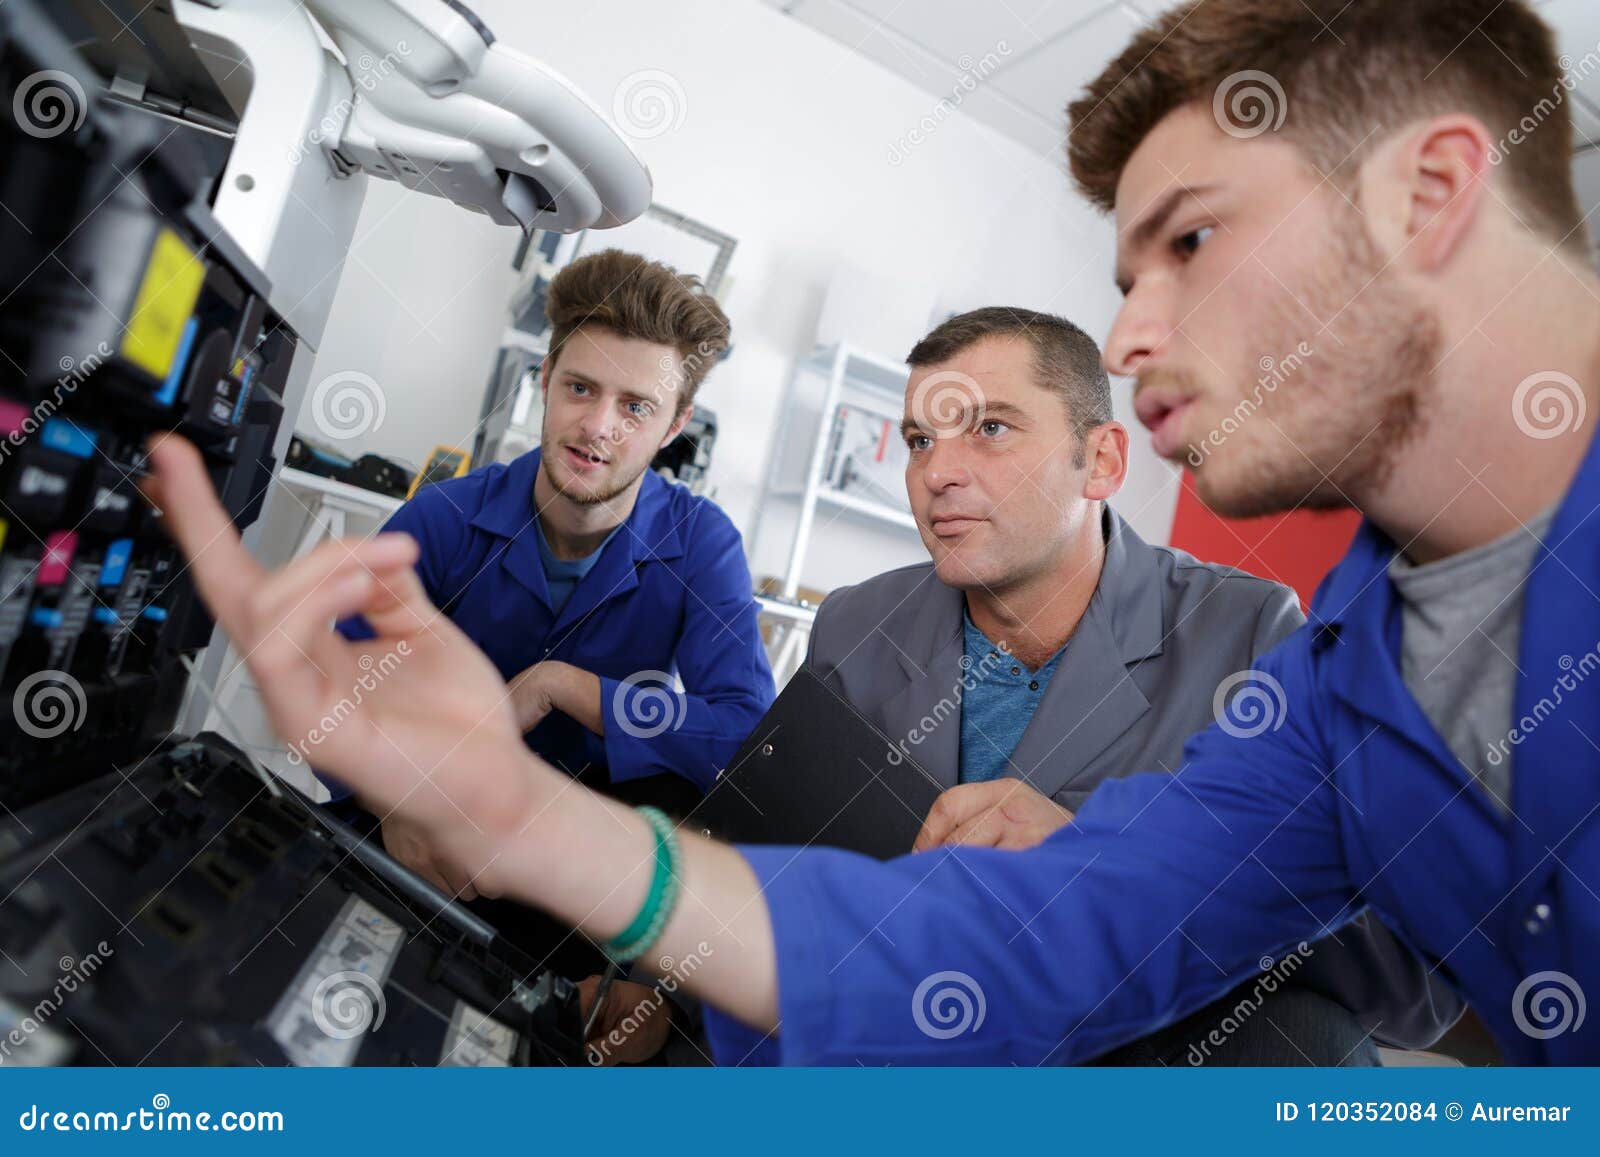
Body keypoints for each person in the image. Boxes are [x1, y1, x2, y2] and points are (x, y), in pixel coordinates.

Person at [145, 0, 1598, 1066]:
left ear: (1428, 194)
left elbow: (1382, 1003)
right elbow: (1003, 934)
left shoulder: (1258, 640)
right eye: (914, 438)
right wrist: (511, 809)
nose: (1136, 330)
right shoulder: (1345, 677)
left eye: (1194, 242)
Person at [803, 305, 1459, 1062]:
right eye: (921, 439)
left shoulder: (1252, 638)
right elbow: (776, 869)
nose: (937, 472)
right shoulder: (854, 626)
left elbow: (1415, 975)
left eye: (990, 428)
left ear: (1103, 462)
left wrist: (1115, 864)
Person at [328, 248, 774, 1063]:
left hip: (570, 869)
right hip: (411, 839)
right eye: (581, 388)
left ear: (675, 427)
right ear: (545, 379)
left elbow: (745, 734)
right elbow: (333, 690)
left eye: (636, 405)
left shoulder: (701, 546)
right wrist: (392, 804)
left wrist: (566, 687)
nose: (599, 426)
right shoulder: (443, 519)